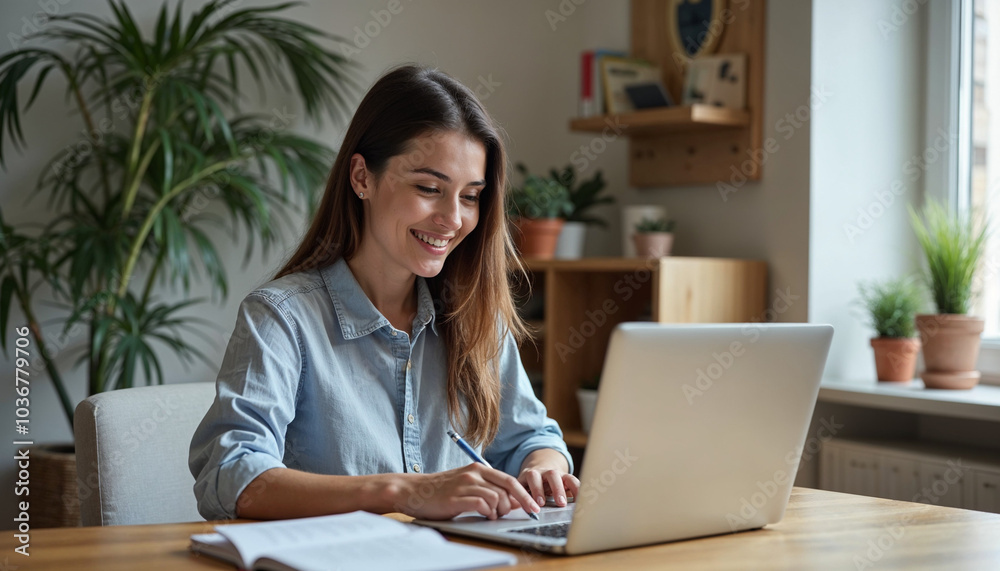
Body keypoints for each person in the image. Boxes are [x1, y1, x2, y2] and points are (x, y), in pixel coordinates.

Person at [189, 64, 579, 522]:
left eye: (471, 196)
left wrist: (542, 467)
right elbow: (231, 476)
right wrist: (405, 491)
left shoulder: (475, 318)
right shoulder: (281, 319)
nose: (453, 219)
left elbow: (534, 439)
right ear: (362, 177)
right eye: (429, 188)